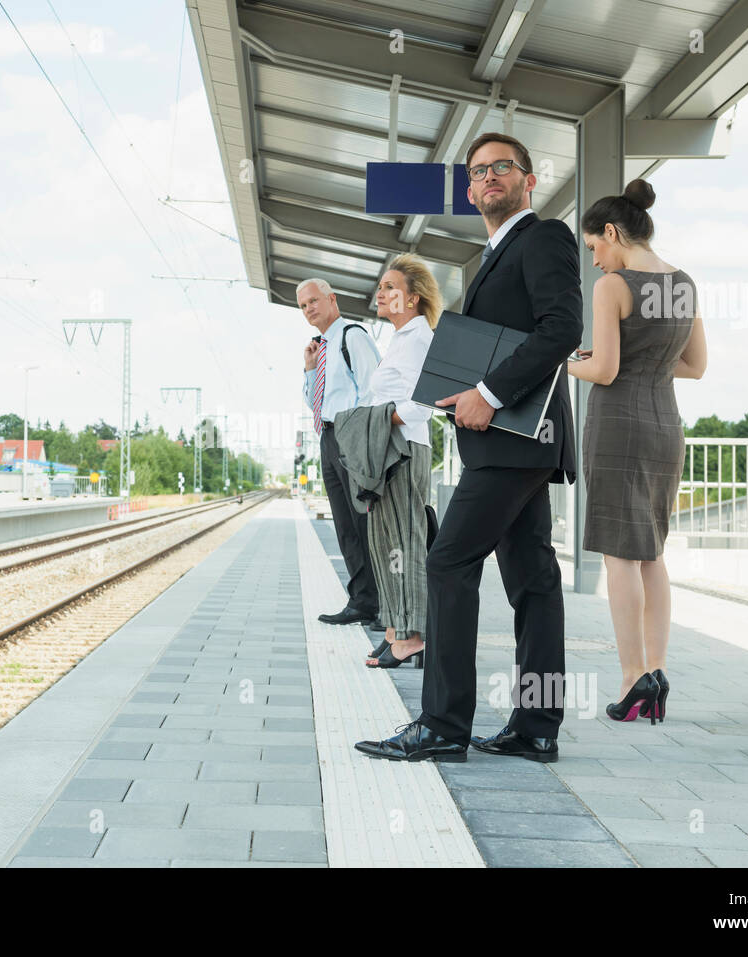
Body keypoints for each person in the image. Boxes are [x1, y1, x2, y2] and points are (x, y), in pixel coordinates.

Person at [356, 132, 581, 764]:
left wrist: (487, 391)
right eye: (478, 171)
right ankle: (536, 727)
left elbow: (563, 328)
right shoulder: (494, 253)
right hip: (513, 445)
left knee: (448, 563)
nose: (487, 177)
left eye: (501, 167)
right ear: (469, 188)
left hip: (516, 440)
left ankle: (443, 723)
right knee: (533, 582)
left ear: (528, 180)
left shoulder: (544, 237)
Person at [567, 178, 707, 725]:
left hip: (618, 424)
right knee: (651, 552)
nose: (595, 261)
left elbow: (603, 371)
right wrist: (634, 360)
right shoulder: (684, 284)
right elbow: (695, 366)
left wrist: (565, 363)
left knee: (618, 553)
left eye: (594, 248)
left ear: (611, 232)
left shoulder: (614, 286)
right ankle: (657, 670)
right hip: (665, 425)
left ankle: (631, 679)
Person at [351, 255, 439, 669]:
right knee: (386, 544)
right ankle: (395, 630)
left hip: (404, 450)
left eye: (390, 287)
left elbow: (424, 404)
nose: (381, 293)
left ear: (413, 298)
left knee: (404, 543)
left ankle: (412, 637)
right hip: (388, 452)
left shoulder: (419, 339)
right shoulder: (402, 339)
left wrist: (378, 421)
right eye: (381, 286)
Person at [299, 277, 383, 626]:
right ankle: (362, 600)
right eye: (303, 306)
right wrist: (310, 370)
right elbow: (314, 402)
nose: (309, 309)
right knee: (345, 524)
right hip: (328, 436)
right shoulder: (320, 347)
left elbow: (373, 389)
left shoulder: (353, 336)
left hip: (352, 434)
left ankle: (384, 603)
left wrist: (360, 438)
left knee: (365, 521)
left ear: (331, 299)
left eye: (313, 301)